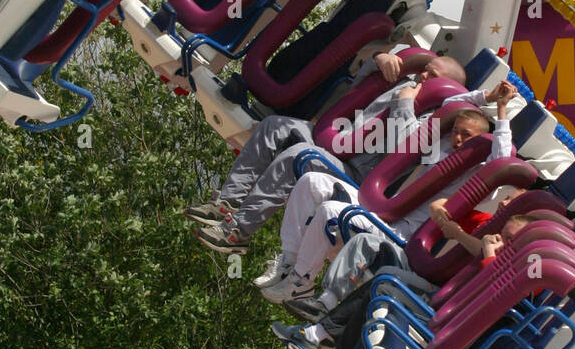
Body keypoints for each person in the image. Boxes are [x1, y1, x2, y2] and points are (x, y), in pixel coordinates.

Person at [187, 49, 470, 257]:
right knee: (274, 126)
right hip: (332, 137)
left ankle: (237, 231)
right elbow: (357, 82)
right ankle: (226, 203)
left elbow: (406, 147)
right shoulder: (405, 82)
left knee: (297, 155)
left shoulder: (435, 121)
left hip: (355, 169)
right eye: (426, 68)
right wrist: (379, 58)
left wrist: (404, 104)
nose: (423, 75)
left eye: (432, 76)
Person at [260, 82, 518, 304]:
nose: (459, 139)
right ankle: (289, 259)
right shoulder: (438, 147)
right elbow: (451, 105)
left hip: (400, 233)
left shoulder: (478, 178)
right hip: (379, 207)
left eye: (467, 135)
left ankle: (301, 281)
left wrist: (502, 109)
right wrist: (487, 96)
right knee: (311, 181)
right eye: (457, 132)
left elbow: (503, 160)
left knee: (330, 212)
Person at [283, 211, 540, 349]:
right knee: (385, 274)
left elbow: (491, 297)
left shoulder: (517, 276)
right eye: (502, 234)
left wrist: (489, 254)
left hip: (447, 322)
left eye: (509, 239)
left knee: (384, 289)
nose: (499, 240)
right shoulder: (499, 259)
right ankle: (317, 338)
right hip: (441, 301)